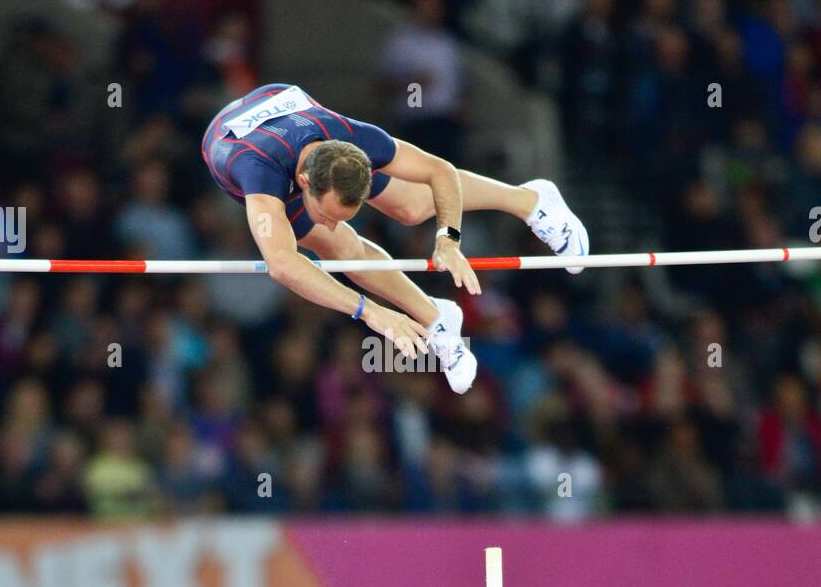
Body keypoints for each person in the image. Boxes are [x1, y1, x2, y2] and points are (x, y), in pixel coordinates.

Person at [201, 83, 589, 393]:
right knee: (337, 247)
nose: (334, 223)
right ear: (302, 184)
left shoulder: (352, 139)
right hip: (239, 140)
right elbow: (282, 266)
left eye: (342, 215)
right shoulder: (259, 174)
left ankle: (532, 199)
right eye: (329, 214)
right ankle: (437, 315)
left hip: (291, 113)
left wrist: (448, 238)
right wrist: (371, 312)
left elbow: (439, 170)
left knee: (411, 207)